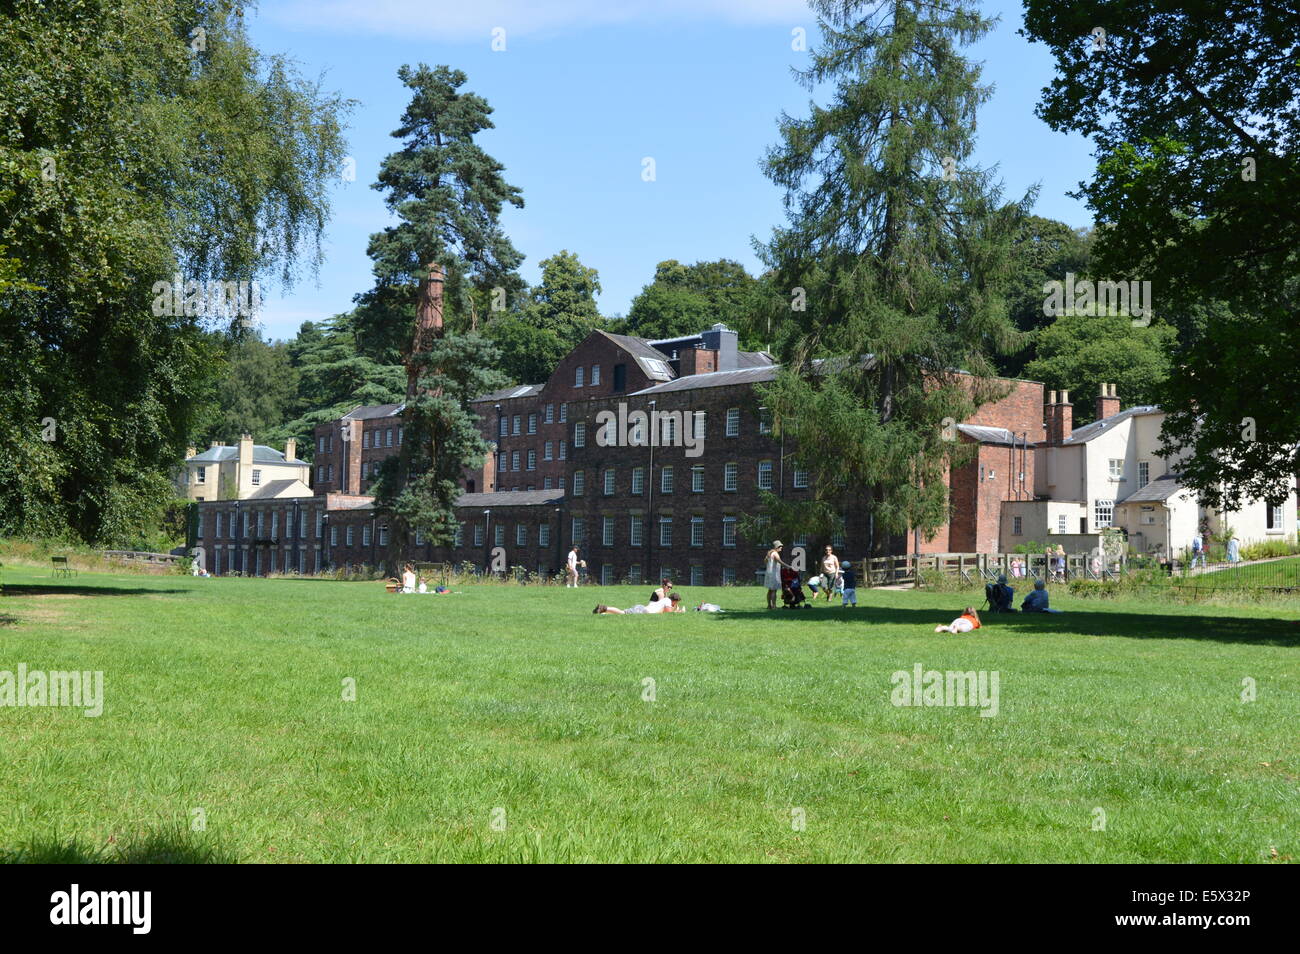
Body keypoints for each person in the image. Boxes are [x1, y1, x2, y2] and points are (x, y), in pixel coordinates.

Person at [594, 593, 684, 614]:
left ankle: (603, 610)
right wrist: (677, 610)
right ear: (674, 601)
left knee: (622, 612)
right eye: (676, 603)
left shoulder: (664, 600)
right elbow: (667, 612)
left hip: (641, 608)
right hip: (643, 610)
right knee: (622, 613)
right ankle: (604, 608)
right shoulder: (667, 601)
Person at [764, 540, 788, 610]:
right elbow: (780, 562)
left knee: (770, 590)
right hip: (774, 574)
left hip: (769, 573)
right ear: (777, 547)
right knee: (774, 590)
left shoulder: (769, 553)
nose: (781, 547)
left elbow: (765, 561)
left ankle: (769, 606)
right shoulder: (775, 553)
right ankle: (774, 606)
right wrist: (788, 566)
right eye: (780, 546)